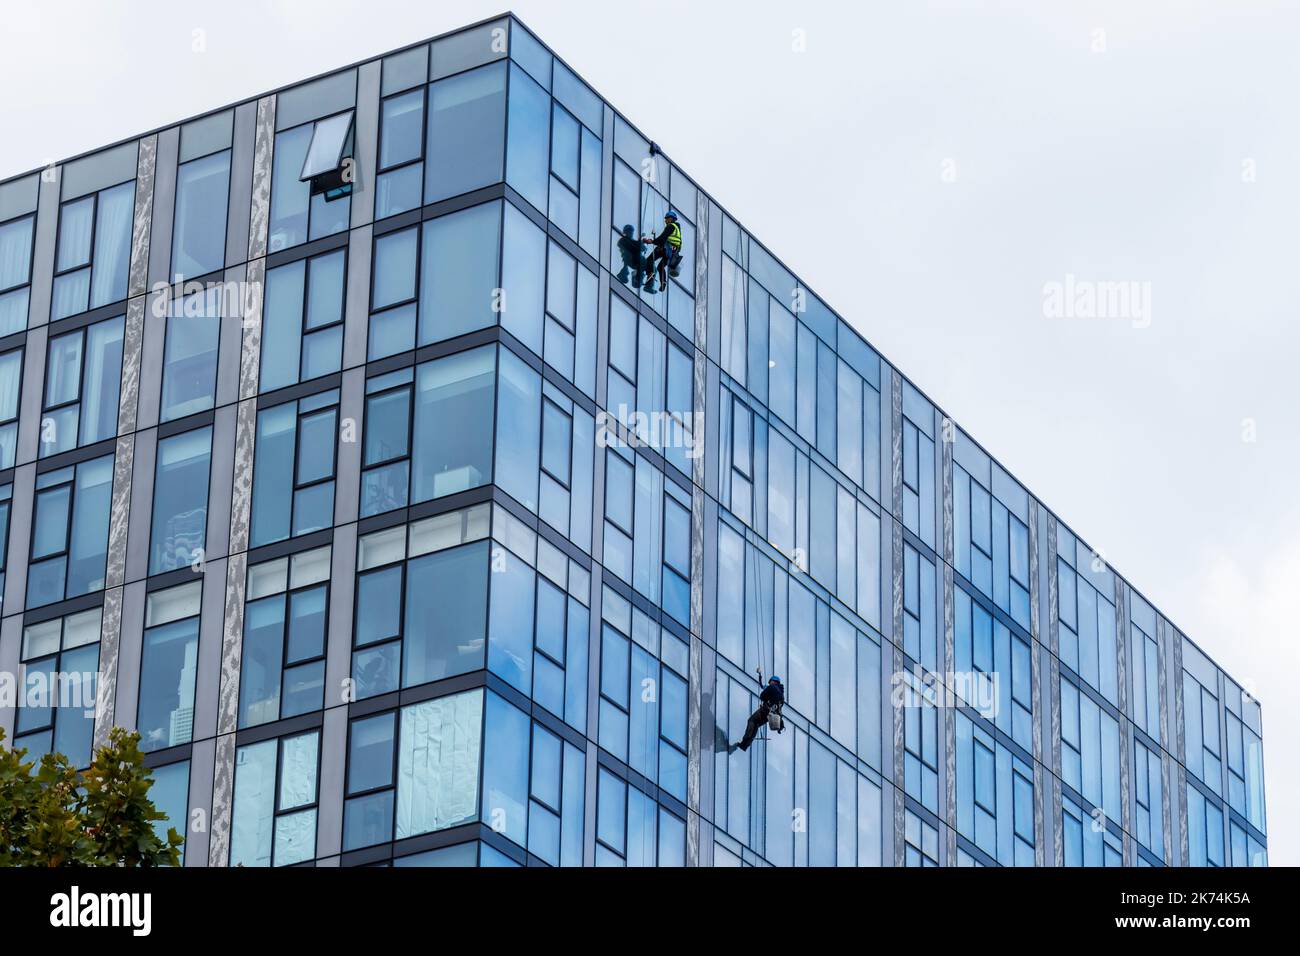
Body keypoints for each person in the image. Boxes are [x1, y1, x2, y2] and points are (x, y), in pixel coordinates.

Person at [734, 676, 785, 752]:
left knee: (751, 721)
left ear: (774, 681)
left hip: (765, 711)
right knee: (756, 724)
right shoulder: (781, 694)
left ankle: (745, 742)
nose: (769, 683)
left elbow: (762, 696)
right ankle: (745, 746)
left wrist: (766, 698)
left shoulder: (772, 687)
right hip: (771, 716)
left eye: (770, 682)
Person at [641, 210, 683, 293]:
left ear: (671, 219)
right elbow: (679, 245)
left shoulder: (671, 226)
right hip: (671, 253)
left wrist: (651, 241)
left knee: (649, 260)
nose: (665, 220)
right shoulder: (678, 230)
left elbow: (662, 238)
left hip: (665, 248)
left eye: (667, 218)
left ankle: (651, 273)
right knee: (660, 267)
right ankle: (663, 282)